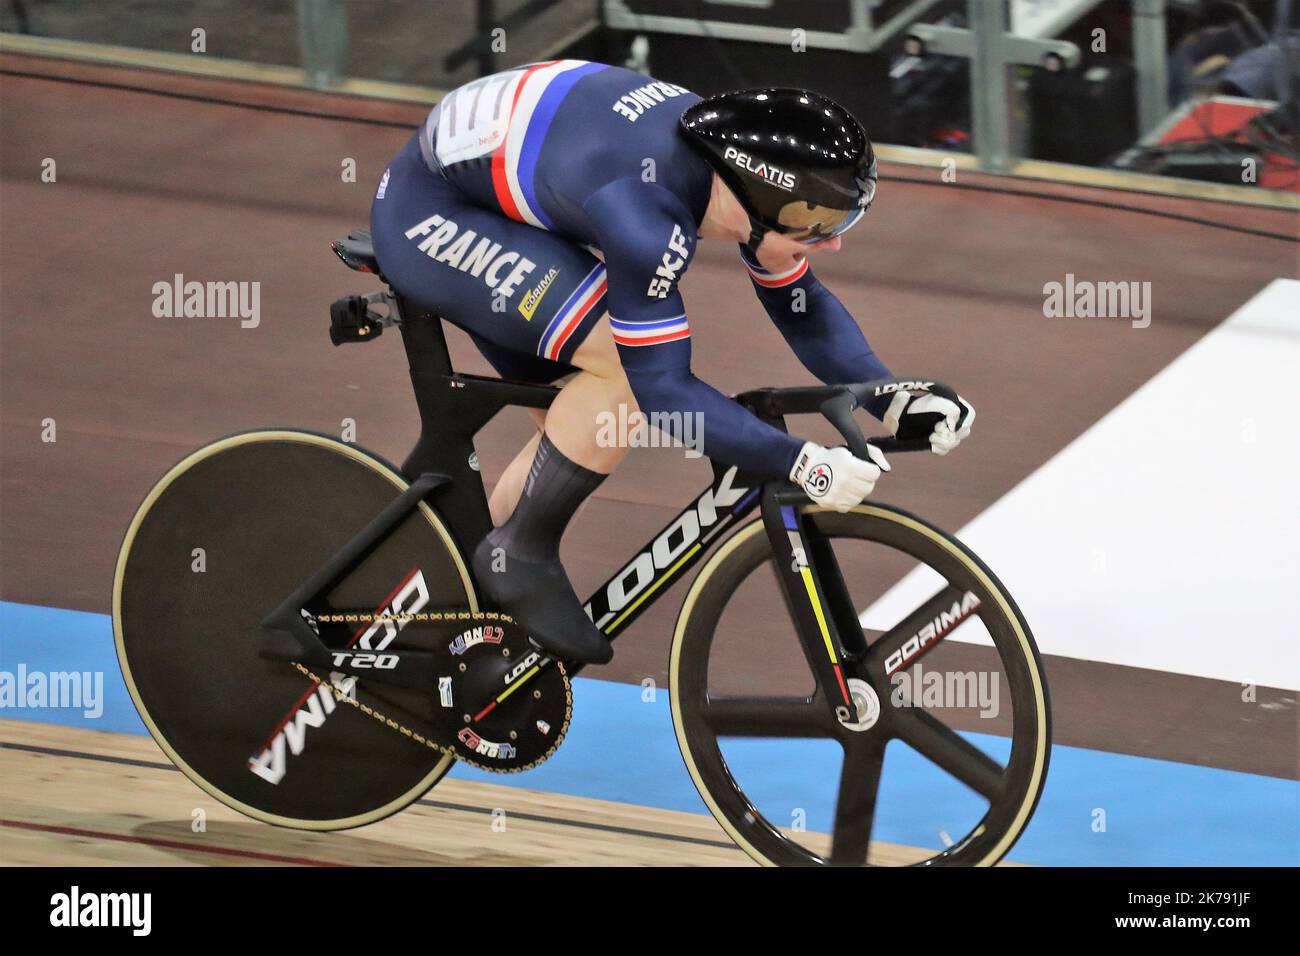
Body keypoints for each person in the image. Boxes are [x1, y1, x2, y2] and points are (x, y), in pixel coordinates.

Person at [369, 61, 974, 665]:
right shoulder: (647, 219)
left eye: (842, 220)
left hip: (518, 186)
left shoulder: (721, 164)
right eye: (819, 222)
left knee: (576, 423)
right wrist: (802, 463)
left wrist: (889, 396)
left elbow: (799, 305)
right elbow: (663, 392)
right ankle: (520, 553)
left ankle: (460, 591)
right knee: (619, 376)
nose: (832, 241)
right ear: (758, 197)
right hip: (432, 211)